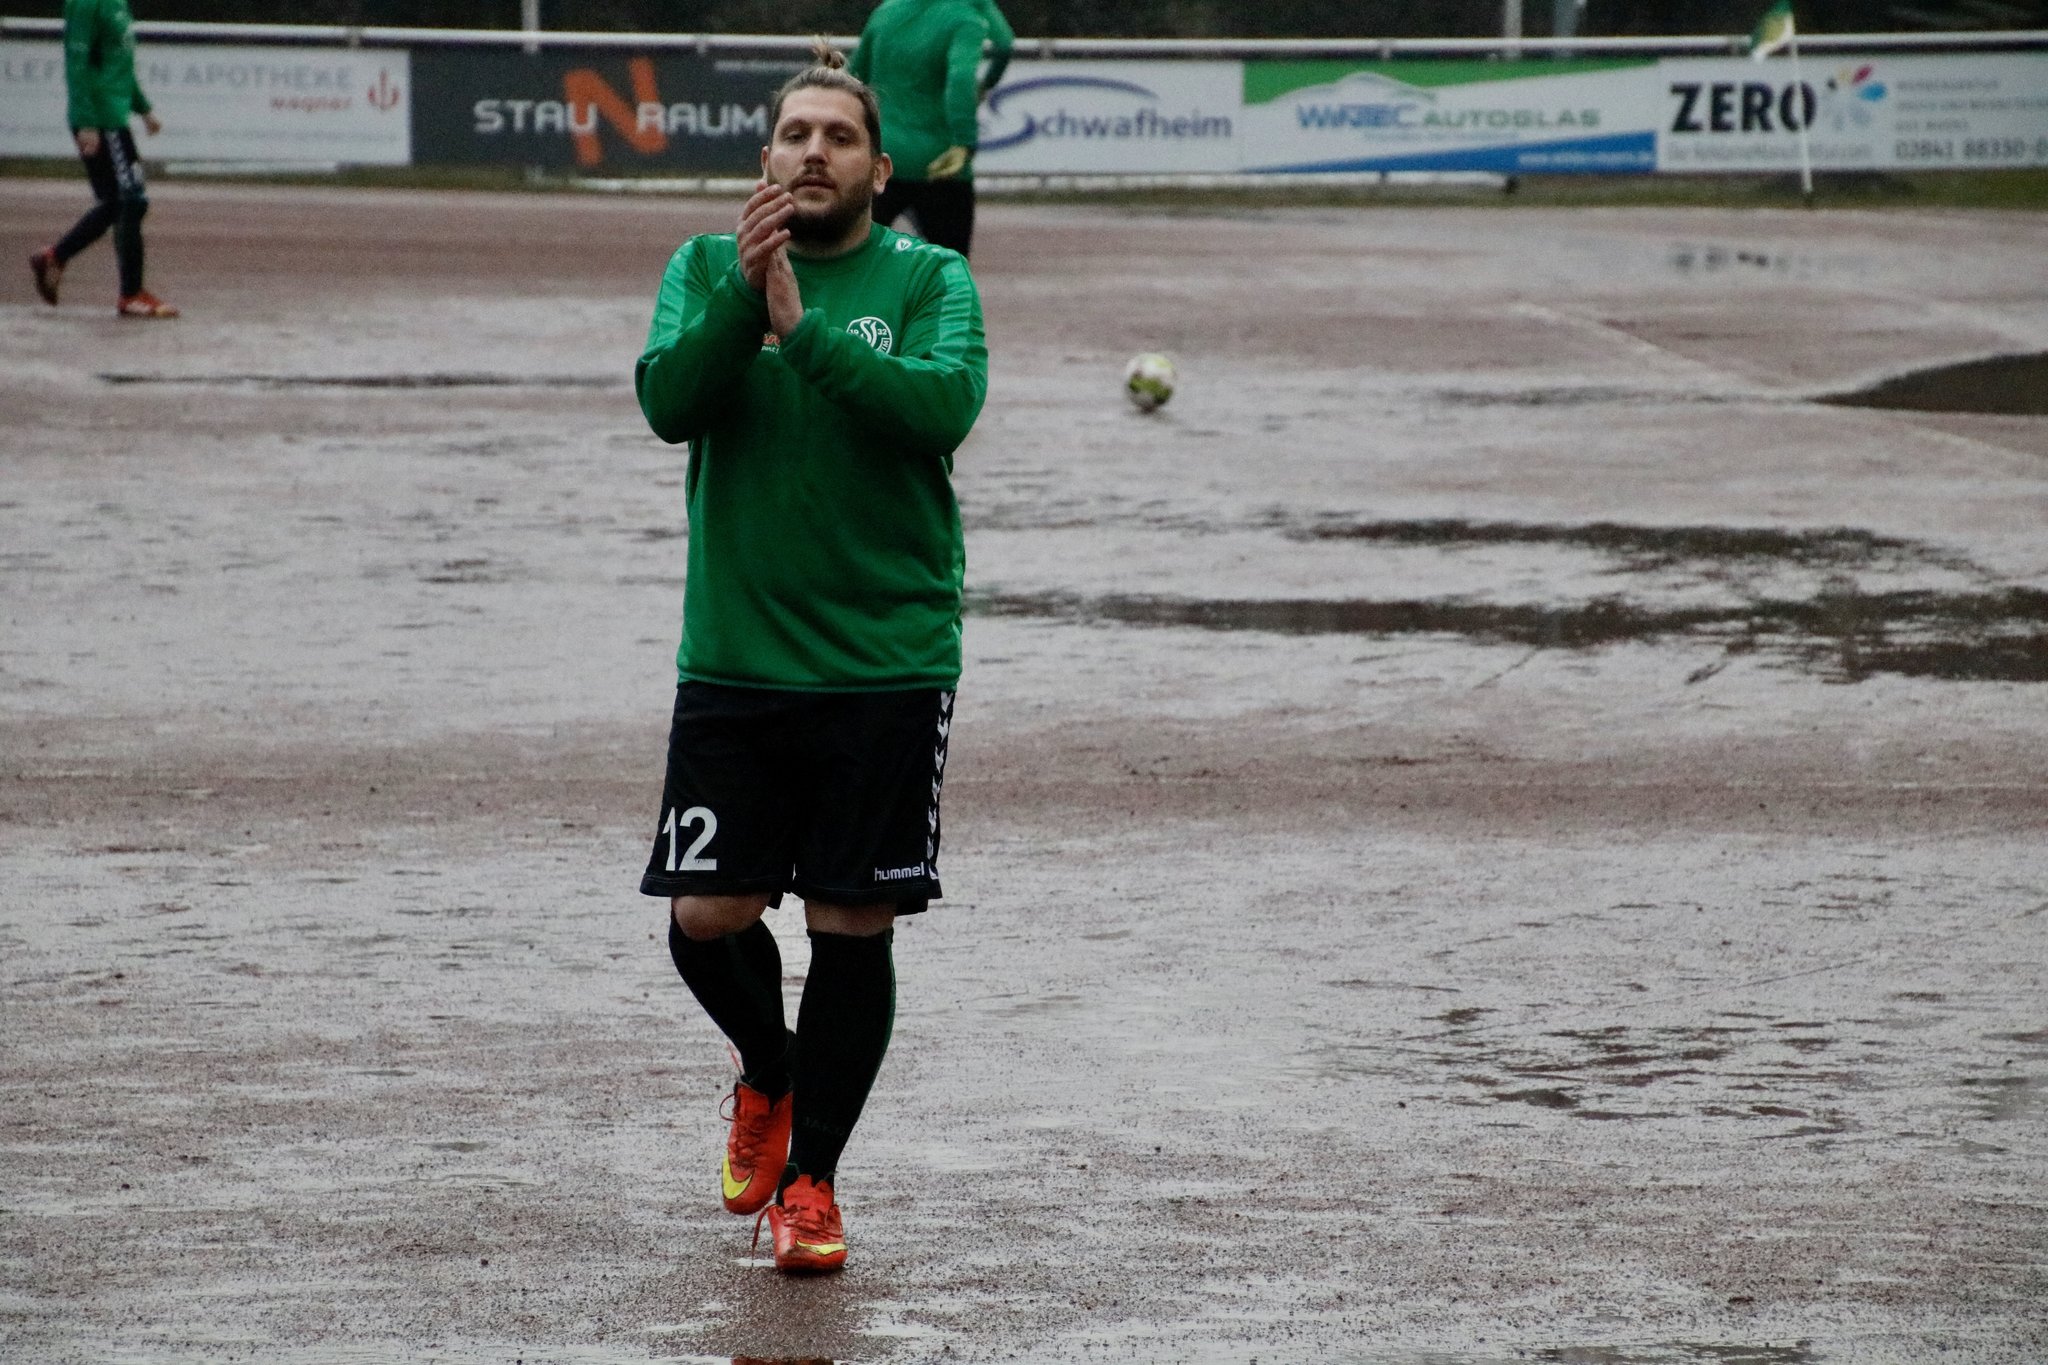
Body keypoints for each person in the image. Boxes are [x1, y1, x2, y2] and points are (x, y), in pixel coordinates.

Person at [634, 43, 987, 1275]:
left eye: (840, 137)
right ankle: (769, 1071)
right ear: (764, 160)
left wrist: (809, 332)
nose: (815, 152)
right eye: (796, 135)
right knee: (705, 913)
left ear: (880, 171)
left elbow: (940, 410)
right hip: (735, 657)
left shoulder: (932, 275)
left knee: (851, 920)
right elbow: (668, 404)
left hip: (884, 660)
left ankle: (812, 1185)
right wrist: (749, 300)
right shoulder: (701, 269)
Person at [28, 0, 178, 318]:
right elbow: (77, 64)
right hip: (101, 118)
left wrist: (143, 108)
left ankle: (54, 257)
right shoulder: (86, 4)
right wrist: (86, 121)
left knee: (114, 203)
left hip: (114, 116)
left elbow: (119, 62)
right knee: (132, 201)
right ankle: (131, 294)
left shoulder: (118, 3)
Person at [851, 0, 1013, 258]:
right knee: (950, 268)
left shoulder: (886, 12)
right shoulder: (965, 17)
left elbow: (853, 78)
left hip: (881, 156)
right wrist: (964, 140)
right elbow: (971, 70)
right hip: (939, 161)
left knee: (855, 259)